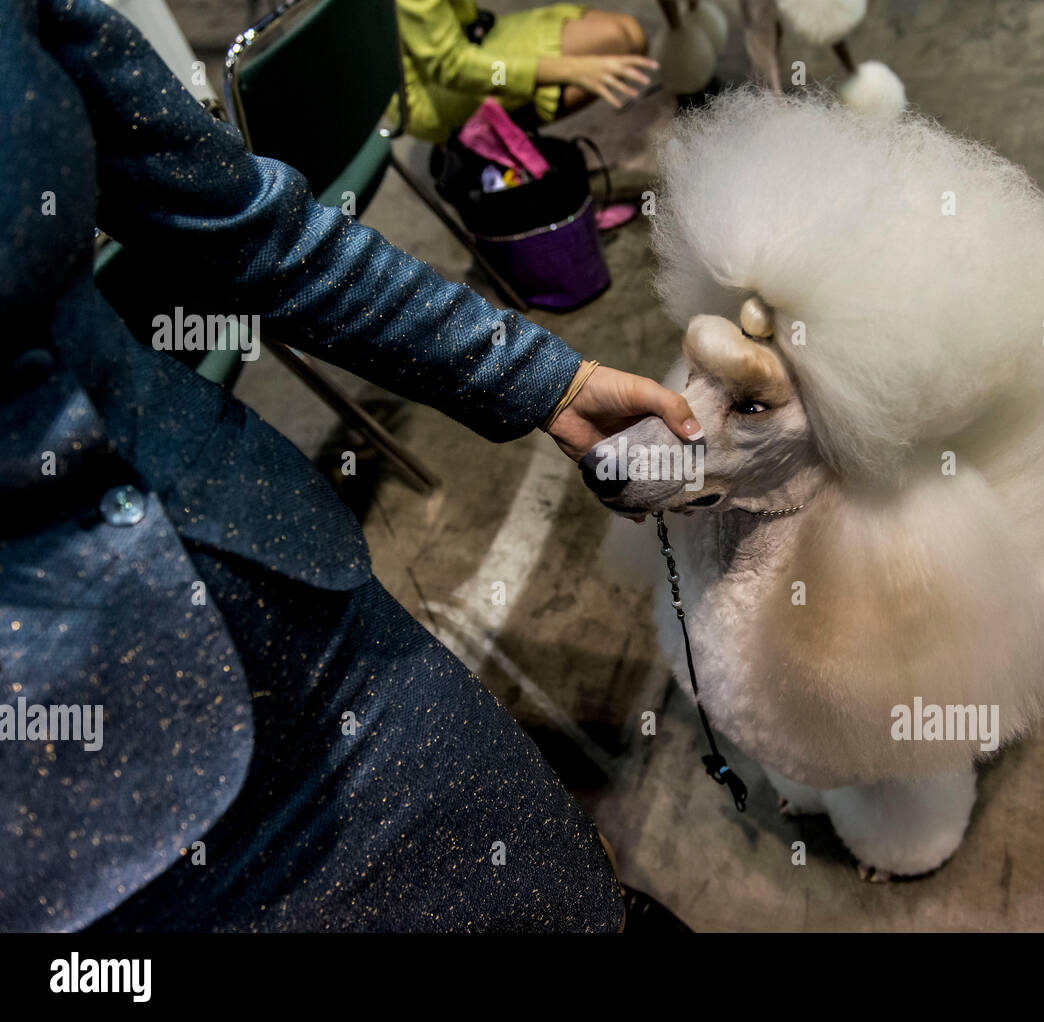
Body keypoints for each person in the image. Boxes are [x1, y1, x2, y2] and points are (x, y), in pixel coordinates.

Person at [0, 0, 697, 932]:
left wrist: (545, 382)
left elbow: (246, 227)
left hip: (291, 616)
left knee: (567, 895)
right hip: (73, 837)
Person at [395, 0, 658, 142]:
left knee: (630, 35)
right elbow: (452, 66)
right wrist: (569, 69)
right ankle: (476, 142)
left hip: (470, 32)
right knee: (618, 45)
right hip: (430, 88)